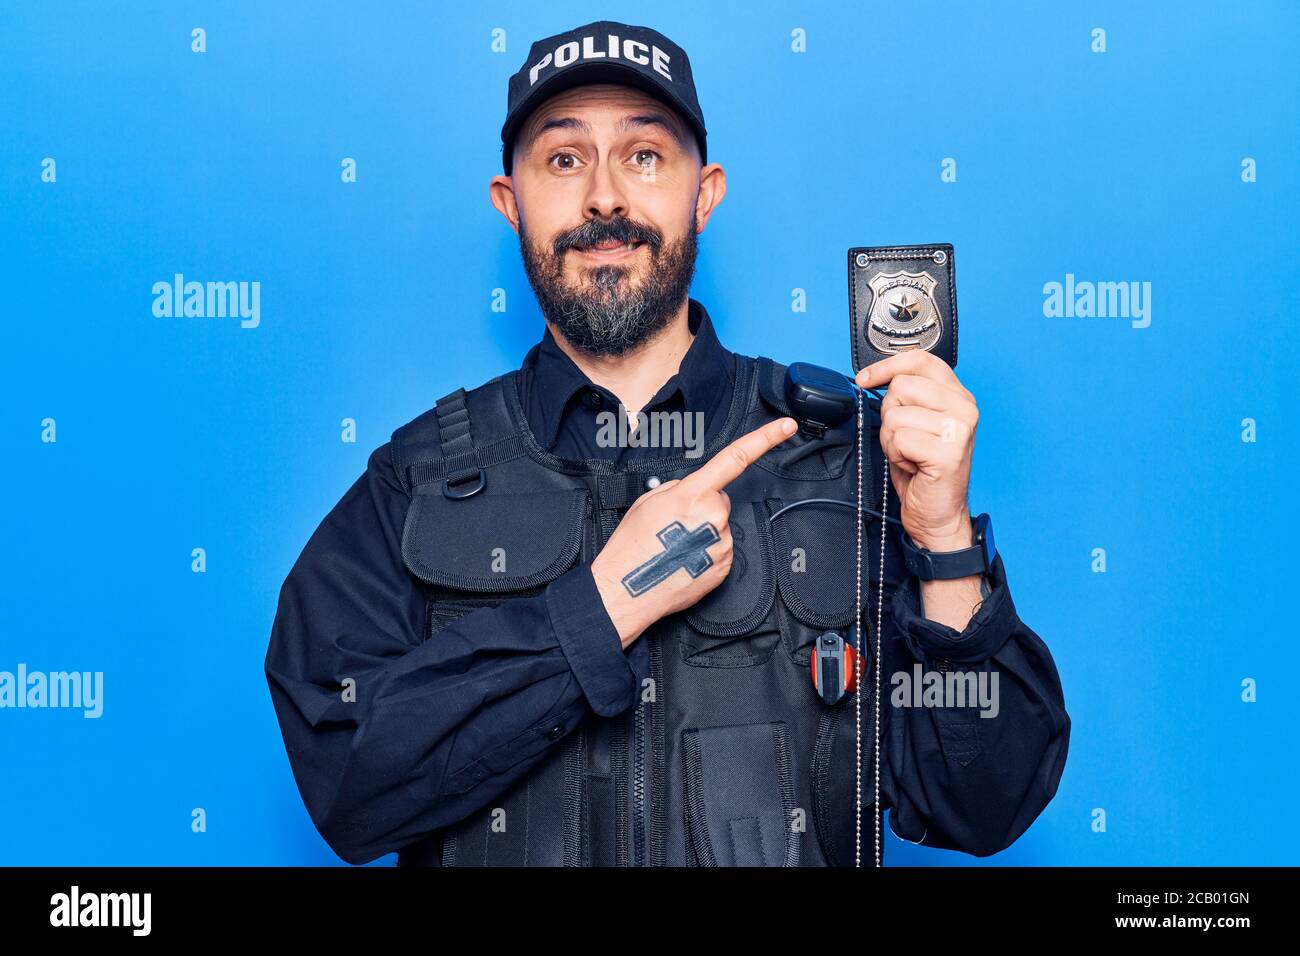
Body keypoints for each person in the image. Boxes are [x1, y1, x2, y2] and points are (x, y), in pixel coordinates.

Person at [264, 19, 1070, 867]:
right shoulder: (416, 478)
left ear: (705, 192)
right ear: (511, 202)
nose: (605, 198)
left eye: (645, 155)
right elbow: (347, 784)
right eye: (564, 160)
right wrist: (605, 606)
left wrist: (942, 543)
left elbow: (986, 805)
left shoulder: (859, 462)